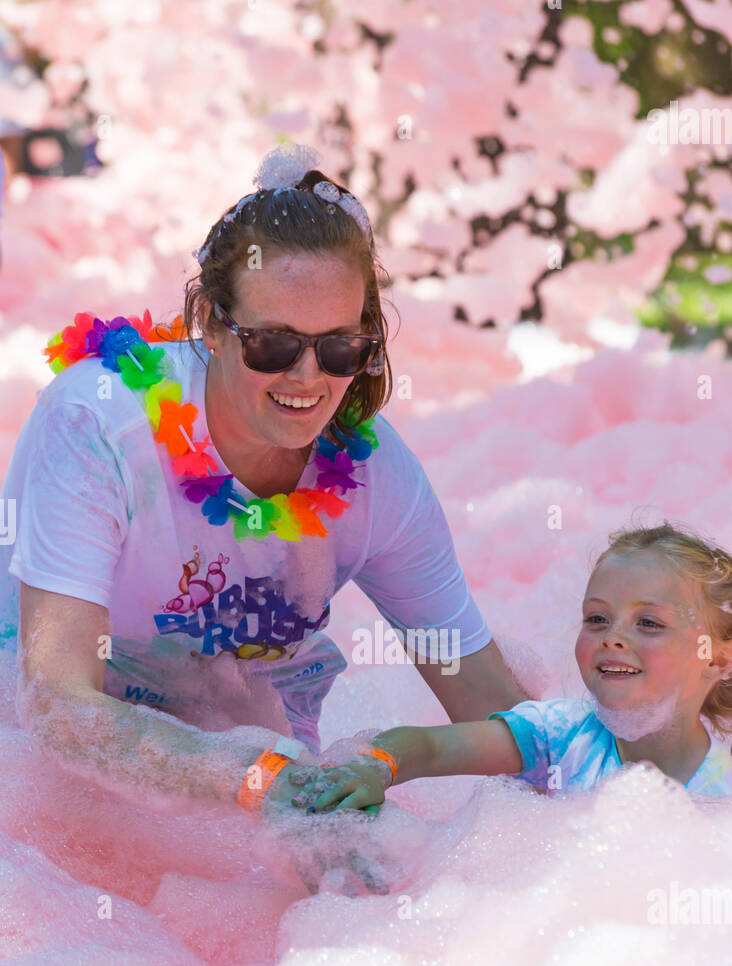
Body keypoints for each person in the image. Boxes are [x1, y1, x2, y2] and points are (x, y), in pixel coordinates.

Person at [0, 141, 528, 822]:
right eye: (273, 344)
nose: (307, 377)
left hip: (246, 744)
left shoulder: (375, 476)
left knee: (355, 857)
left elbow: (492, 705)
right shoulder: (98, 423)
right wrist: (253, 775)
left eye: (339, 348)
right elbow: (57, 708)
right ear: (211, 326)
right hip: (43, 767)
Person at [280, 523, 732, 812]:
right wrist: (376, 766)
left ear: (719, 658)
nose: (613, 637)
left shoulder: (724, 804)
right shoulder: (561, 735)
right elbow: (429, 747)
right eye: (597, 618)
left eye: (649, 623)